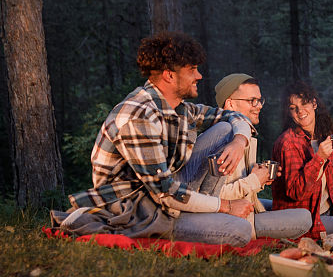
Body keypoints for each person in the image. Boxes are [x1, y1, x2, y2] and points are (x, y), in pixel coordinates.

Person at [52, 31, 255, 247]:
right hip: (136, 207)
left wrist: (239, 141)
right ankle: (207, 213)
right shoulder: (138, 115)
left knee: (225, 128)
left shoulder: (180, 108)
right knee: (239, 232)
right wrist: (226, 206)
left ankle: (204, 211)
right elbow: (164, 192)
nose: (199, 76)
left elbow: (235, 116)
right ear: (169, 75)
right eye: (192, 70)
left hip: (165, 193)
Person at [207, 73, 313, 240]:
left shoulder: (241, 135)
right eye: (252, 101)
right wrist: (254, 180)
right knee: (305, 218)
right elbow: (213, 196)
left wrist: (260, 179)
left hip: (246, 205)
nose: (259, 106)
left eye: (259, 100)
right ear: (230, 104)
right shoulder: (224, 138)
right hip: (232, 220)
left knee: (282, 206)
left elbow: (241, 187)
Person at [270, 81, 333, 237]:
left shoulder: (324, 135)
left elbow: (330, 187)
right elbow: (296, 193)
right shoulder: (288, 143)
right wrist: (319, 157)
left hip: (330, 208)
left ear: (314, 103)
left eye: (305, 104)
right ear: (289, 112)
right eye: (293, 108)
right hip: (308, 220)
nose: (301, 111)